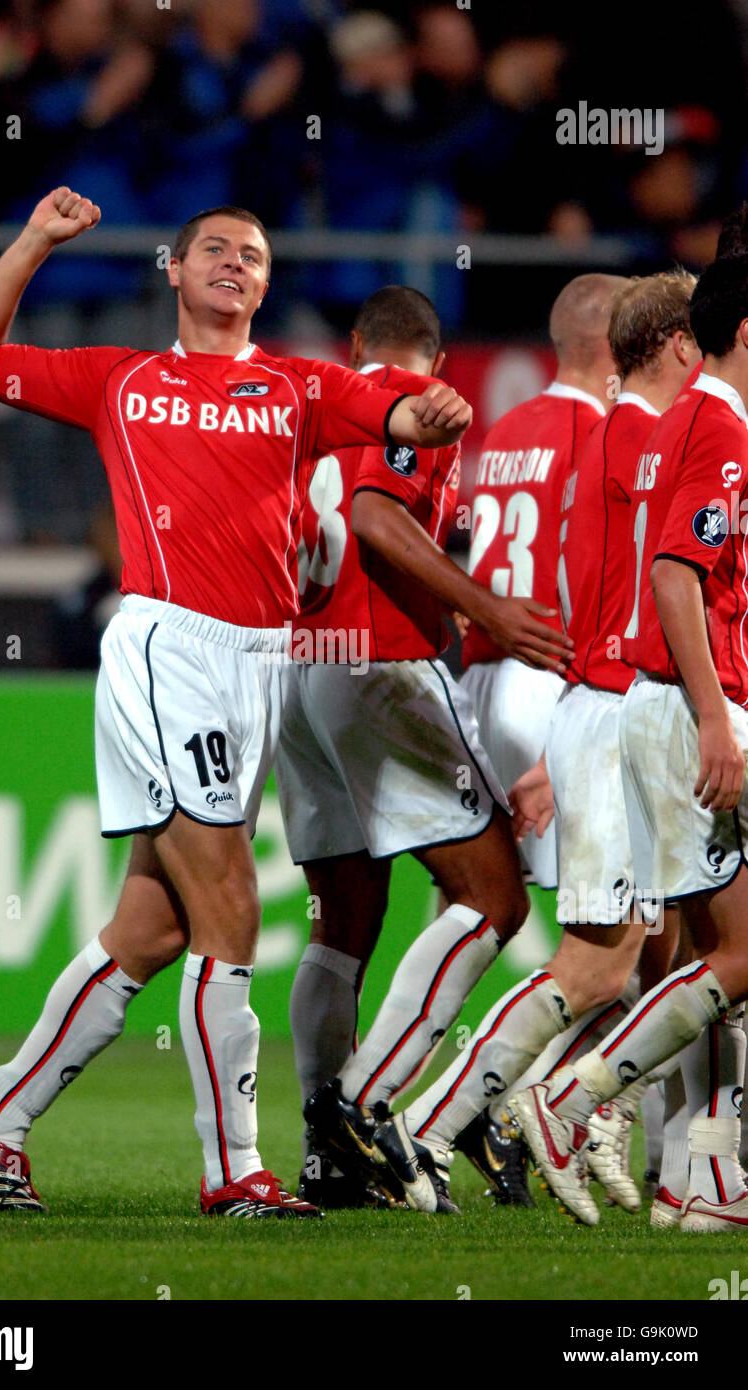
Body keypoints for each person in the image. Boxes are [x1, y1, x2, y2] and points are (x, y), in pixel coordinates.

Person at [0, 186, 470, 1219]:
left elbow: (390, 410)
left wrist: (423, 412)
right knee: (229, 909)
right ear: (171, 273)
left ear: (266, 283)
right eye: (213, 249)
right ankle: (232, 1169)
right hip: (172, 647)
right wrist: (37, 241)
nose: (234, 261)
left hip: (258, 665)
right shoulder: (120, 379)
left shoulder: (298, 386)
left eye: (253, 254)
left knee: (153, 927)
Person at [364, 271, 699, 1216]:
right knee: (612, 948)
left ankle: (523, 1109)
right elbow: (618, 585)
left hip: (497, 671)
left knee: (618, 934)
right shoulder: (618, 436)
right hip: (564, 673)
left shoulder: (501, 432)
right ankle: (476, 1113)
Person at [276, 285, 573, 1210]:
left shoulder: (313, 408)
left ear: (356, 339)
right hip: (381, 667)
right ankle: (364, 1108)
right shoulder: (418, 413)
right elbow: (373, 516)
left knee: (342, 922)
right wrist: (486, 610)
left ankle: (325, 1149)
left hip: (302, 670)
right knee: (493, 898)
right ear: (436, 366)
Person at [508, 252, 748, 1229]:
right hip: (691, 707)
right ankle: (571, 1100)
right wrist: (708, 717)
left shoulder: (682, 416)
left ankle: (696, 1180)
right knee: (735, 958)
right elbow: (671, 573)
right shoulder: (721, 427)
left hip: (663, 704)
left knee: (710, 954)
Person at [461, 273, 628, 890]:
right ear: (619, 345)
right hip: (551, 684)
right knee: (605, 914)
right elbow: (594, 584)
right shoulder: (600, 437)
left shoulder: (506, 426)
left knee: (491, 902)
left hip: (480, 683)